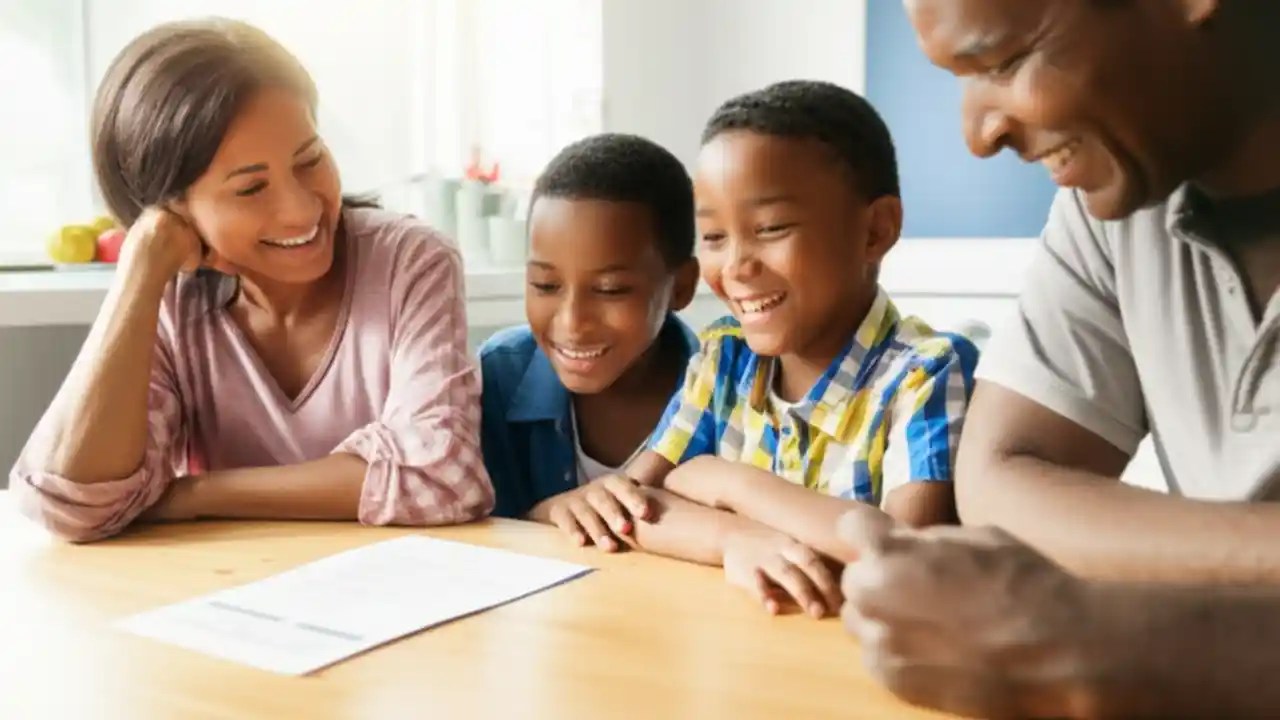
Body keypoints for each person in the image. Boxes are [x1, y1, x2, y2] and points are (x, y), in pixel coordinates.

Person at [838, 0, 1280, 716]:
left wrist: (1121, 642)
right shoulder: (1114, 204)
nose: (977, 136)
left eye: (1007, 62)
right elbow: (1001, 480)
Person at [10, 18, 493, 542]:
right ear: (172, 209)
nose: (302, 209)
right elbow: (70, 505)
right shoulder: (172, 300)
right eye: (251, 189)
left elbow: (445, 479)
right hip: (228, 593)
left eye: (309, 160)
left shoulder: (410, 262)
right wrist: (141, 268)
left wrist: (195, 494)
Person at [545, 81, 977, 618]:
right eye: (715, 238)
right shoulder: (724, 356)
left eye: (770, 228)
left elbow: (906, 561)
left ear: (875, 230)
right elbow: (627, 506)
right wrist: (733, 538)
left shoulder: (926, 373)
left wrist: (727, 482)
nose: (736, 268)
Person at [479, 133, 701, 531]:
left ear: (681, 287)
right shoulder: (498, 378)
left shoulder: (726, 400)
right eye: (545, 286)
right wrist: (544, 517)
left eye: (610, 290)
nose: (572, 323)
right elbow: (474, 535)